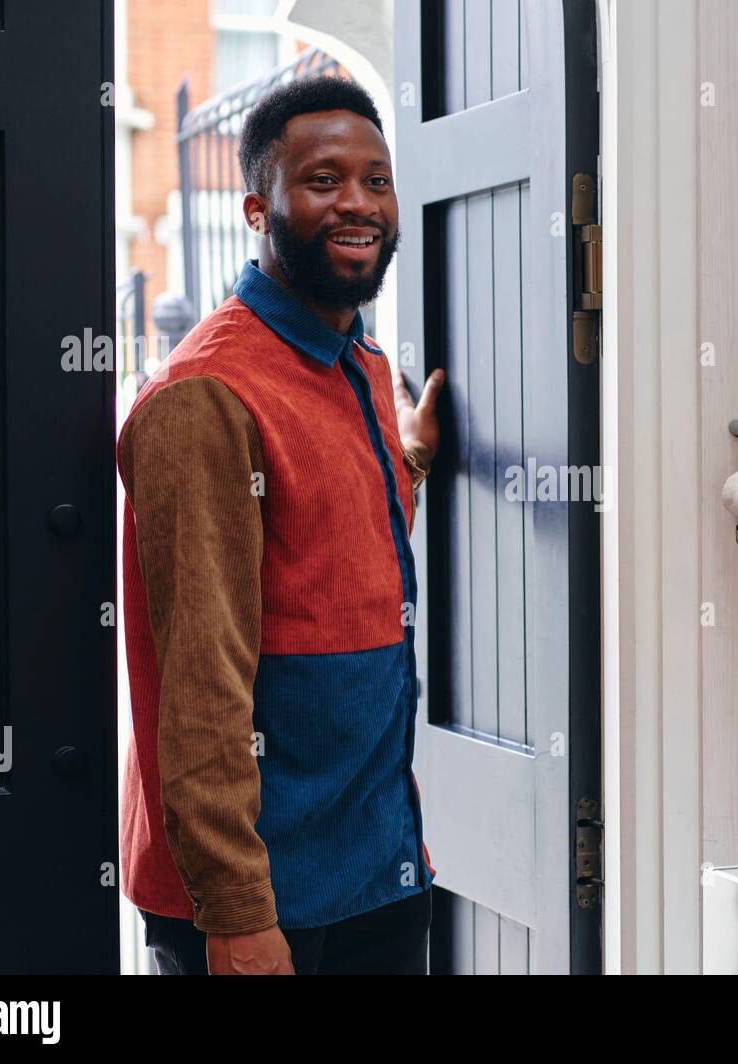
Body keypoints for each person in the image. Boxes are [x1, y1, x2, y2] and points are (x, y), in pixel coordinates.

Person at [116, 73, 445, 975]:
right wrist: (236, 914)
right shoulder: (205, 399)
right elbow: (199, 687)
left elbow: (330, 557)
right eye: (324, 179)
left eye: (376, 180)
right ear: (259, 208)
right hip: (263, 905)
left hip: (379, 868)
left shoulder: (362, 363)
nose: (359, 203)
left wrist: (410, 460)